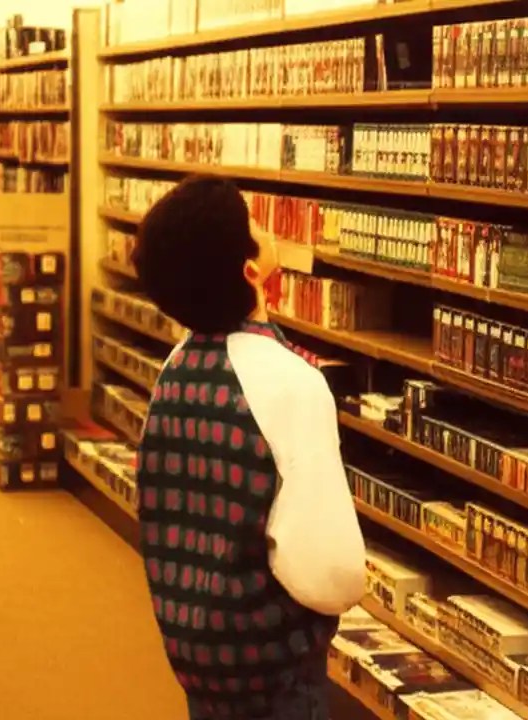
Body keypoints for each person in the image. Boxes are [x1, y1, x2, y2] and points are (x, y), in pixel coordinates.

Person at [131, 175, 366, 720]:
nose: (263, 227)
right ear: (249, 271)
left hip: (201, 659)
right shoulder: (291, 382)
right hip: (278, 674)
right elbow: (332, 572)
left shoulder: (176, 367)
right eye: (251, 226)